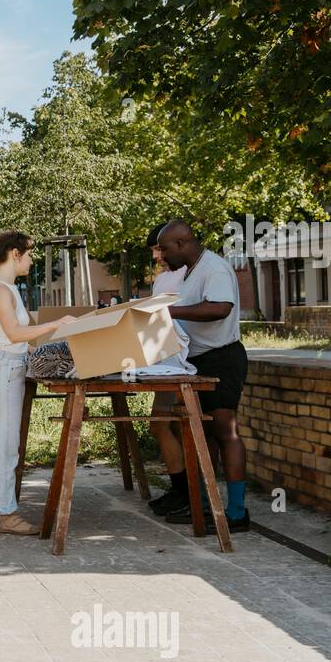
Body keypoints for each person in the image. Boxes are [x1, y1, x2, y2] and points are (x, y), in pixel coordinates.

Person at [0, 231, 76, 535]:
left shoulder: (1, 288)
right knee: (6, 446)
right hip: (3, 369)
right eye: (30, 255)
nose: (32, 261)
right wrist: (58, 324)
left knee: (2, 442)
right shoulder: (1, 290)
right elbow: (14, 334)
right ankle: (6, 514)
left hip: (2, 364)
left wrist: (31, 349)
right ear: (16, 253)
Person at [156, 219, 251, 532]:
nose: (161, 255)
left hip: (222, 358)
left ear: (182, 243)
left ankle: (237, 513)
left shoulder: (214, 268)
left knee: (226, 432)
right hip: (199, 360)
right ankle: (207, 505)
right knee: (205, 435)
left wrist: (170, 312)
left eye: (165, 248)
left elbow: (220, 308)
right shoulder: (191, 271)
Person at [142, 223, 193, 516]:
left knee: (166, 425)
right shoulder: (163, 280)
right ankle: (181, 492)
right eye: (154, 251)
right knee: (166, 425)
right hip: (165, 360)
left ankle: (186, 494)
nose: (157, 257)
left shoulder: (189, 274)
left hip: (182, 361)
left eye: (160, 250)